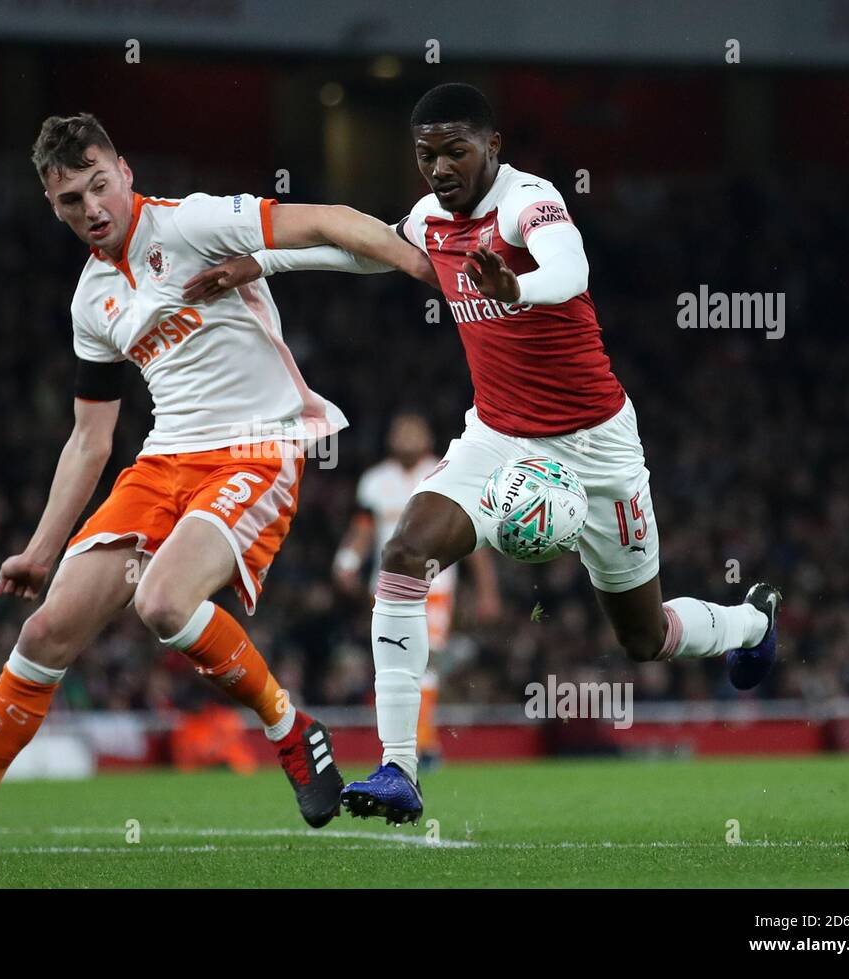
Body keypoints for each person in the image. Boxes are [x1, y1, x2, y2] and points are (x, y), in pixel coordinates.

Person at [182, 82, 780, 824]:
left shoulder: (530, 203)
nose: (439, 166)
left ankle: (751, 624)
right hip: (497, 435)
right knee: (404, 550)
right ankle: (400, 765)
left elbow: (571, 268)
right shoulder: (434, 219)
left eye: (455, 149)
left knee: (644, 636)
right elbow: (370, 252)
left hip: (597, 448)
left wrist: (520, 286)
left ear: (492, 147)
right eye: (426, 153)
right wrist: (264, 266)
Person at [0, 111, 428, 859]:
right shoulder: (91, 302)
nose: (91, 209)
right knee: (44, 632)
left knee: (161, 600)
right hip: (162, 463)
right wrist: (37, 549)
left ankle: (289, 726)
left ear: (123, 171)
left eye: (98, 186)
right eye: (69, 201)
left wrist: (425, 269)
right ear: (52, 206)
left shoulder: (193, 223)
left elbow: (332, 220)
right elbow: (90, 438)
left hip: (254, 450)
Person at [333, 412, 500, 766]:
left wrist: (487, 591)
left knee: (425, 661)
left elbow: (472, 536)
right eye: (401, 431)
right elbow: (362, 529)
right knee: (394, 662)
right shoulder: (375, 481)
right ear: (390, 438)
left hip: (435, 582)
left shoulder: (446, 471)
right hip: (386, 584)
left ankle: (422, 745)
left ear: (427, 437)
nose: (407, 437)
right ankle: (407, 745)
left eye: (414, 431)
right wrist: (347, 560)